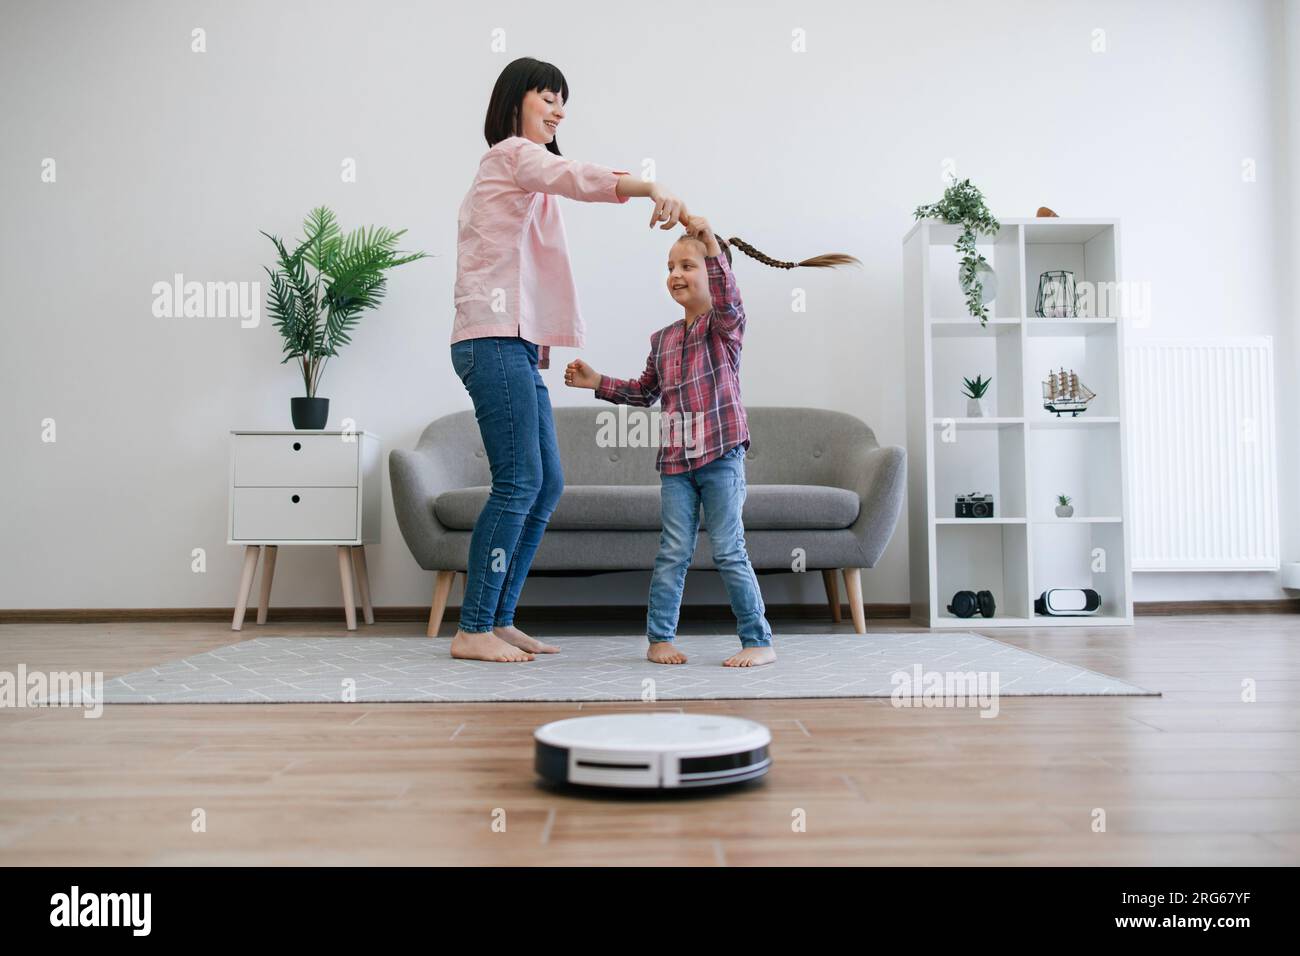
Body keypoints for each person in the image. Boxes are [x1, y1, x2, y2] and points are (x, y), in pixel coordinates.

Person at [448, 57, 691, 663]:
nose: (558, 110)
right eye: (547, 97)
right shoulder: (509, 156)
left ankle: (499, 619)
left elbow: (559, 191)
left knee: (545, 482)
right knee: (518, 483)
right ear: (514, 101)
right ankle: (472, 627)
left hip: (518, 345)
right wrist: (649, 187)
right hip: (491, 339)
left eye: (563, 102)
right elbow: (580, 177)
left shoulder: (529, 175)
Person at [565, 216, 859, 666]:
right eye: (670, 267)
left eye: (688, 265)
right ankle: (660, 638)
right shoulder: (662, 339)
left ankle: (758, 641)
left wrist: (712, 248)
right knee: (673, 551)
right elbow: (645, 392)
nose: (676, 274)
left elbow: (730, 301)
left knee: (728, 549)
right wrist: (597, 381)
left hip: (721, 456)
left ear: (713, 272)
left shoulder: (726, 329)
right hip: (677, 464)